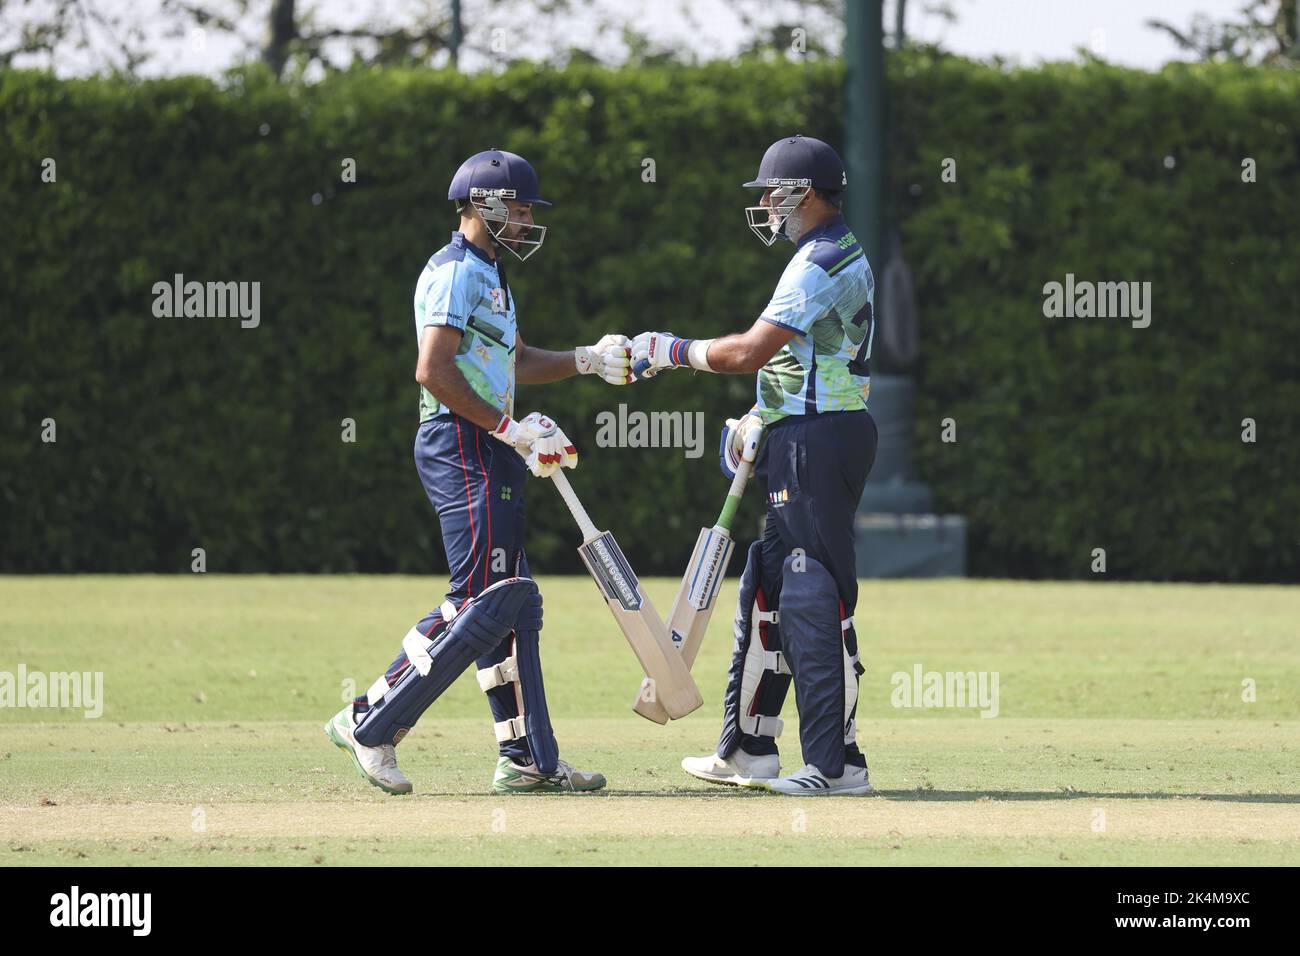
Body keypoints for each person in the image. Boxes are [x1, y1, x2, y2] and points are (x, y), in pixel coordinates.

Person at [325, 148, 634, 795]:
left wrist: (585, 360)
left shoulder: (492, 276)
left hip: (488, 444)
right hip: (459, 440)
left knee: (512, 600)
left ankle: (527, 758)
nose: (525, 221)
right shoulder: (454, 273)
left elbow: (514, 361)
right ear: (484, 205)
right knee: (483, 598)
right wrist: (506, 428)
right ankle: (370, 721)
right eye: (518, 209)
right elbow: (433, 370)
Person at [631, 135, 878, 796]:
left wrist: (670, 349)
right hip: (802, 428)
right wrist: (758, 417)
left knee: (810, 588)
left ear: (809, 193)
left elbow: (748, 350)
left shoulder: (818, 260)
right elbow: (798, 361)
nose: (767, 203)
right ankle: (749, 751)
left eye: (776, 191)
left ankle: (836, 765)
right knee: (766, 587)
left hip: (818, 439)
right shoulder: (823, 253)